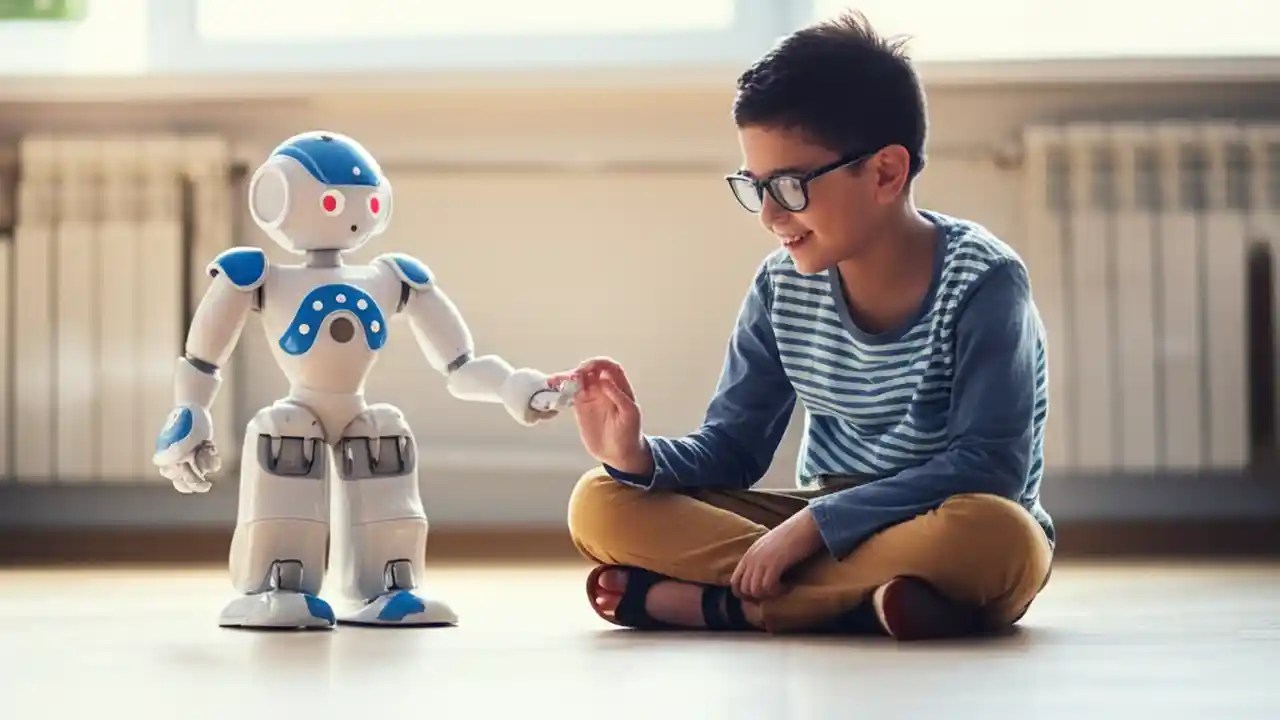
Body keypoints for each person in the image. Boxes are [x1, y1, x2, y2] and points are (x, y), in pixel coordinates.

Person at [549, 11, 1054, 640]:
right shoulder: (780, 286)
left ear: (885, 173)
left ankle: (728, 606)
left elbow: (990, 467)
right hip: (816, 520)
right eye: (754, 186)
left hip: (938, 516)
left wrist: (815, 529)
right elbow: (732, 451)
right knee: (600, 503)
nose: (767, 215)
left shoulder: (985, 281)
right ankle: (864, 602)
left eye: (789, 185)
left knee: (1002, 540)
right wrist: (636, 454)